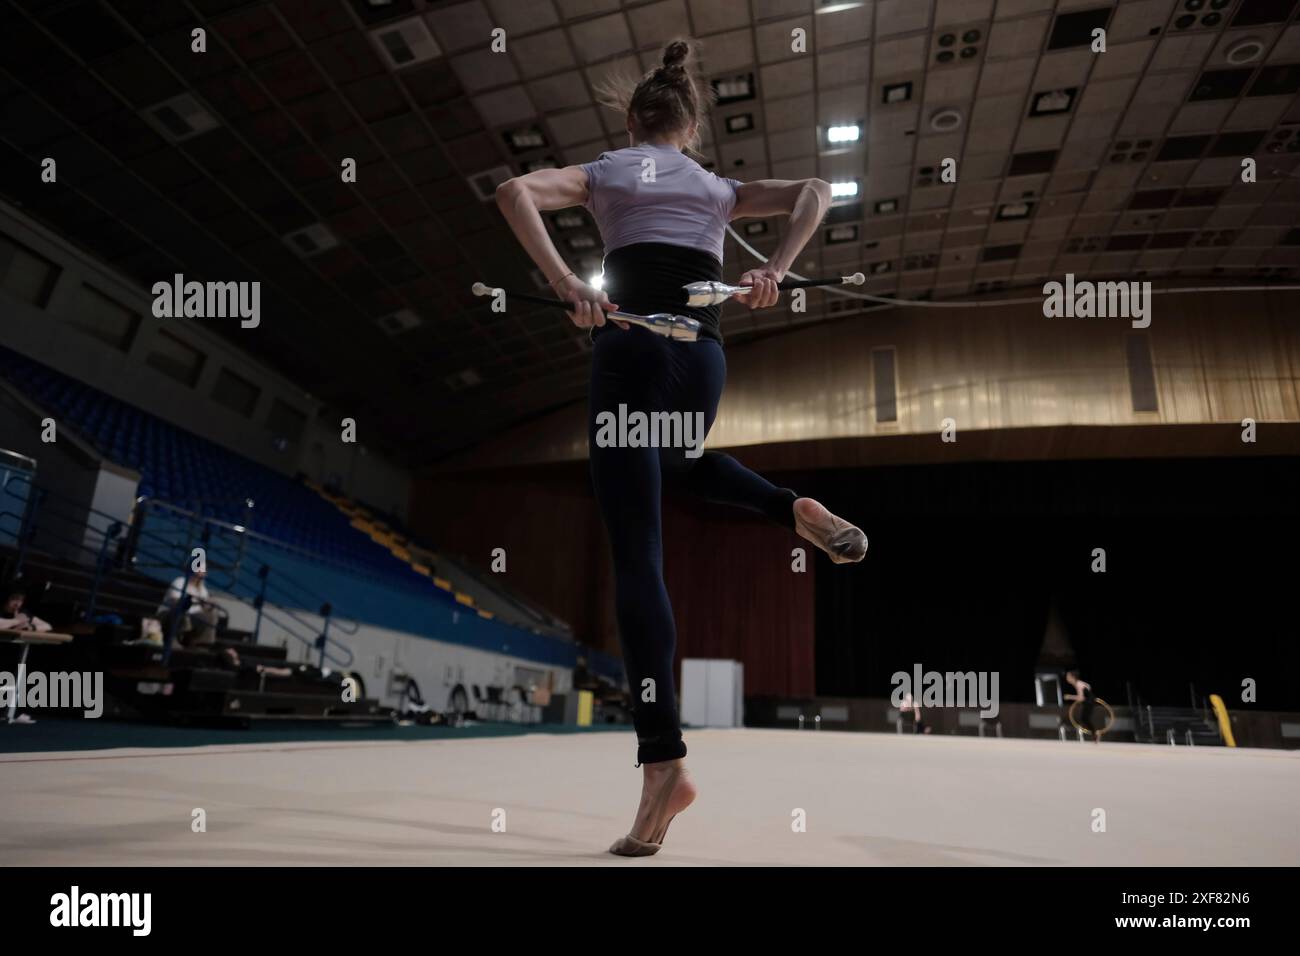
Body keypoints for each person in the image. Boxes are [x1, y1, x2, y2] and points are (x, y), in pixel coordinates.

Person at [495, 39, 867, 857]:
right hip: (702, 352)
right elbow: (816, 187)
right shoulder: (718, 187)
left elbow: (513, 190)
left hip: (628, 345)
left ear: (632, 123)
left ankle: (663, 762)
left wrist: (565, 283)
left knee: (638, 552)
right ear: (691, 130)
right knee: (682, 463)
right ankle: (784, 505)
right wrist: (776, 266)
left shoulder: (605, 171)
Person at [157, 570, 221, 647]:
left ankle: (200, 643)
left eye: (204, 571)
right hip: (168, 614)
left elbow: (202, 608)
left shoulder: (203, 590)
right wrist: (193, 602)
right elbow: (175, 601)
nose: (201, 573)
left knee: (210, 616)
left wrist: (208, 606)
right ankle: (173, 640)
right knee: (181, 610)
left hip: (191, 617)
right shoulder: (180, 581)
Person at [1064, 669, 1101, 744]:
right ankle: (1095, 734)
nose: (1066, 678)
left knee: (1085, 718)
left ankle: (1095, 733)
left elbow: (1081, 698)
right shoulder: (1078, 684)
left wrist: (1069, 697)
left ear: (1073, 677)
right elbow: (1088, 687)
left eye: (1068, 676)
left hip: (1089, 702)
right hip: (1088, 701)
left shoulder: (1078, 684)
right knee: (1084, 718)